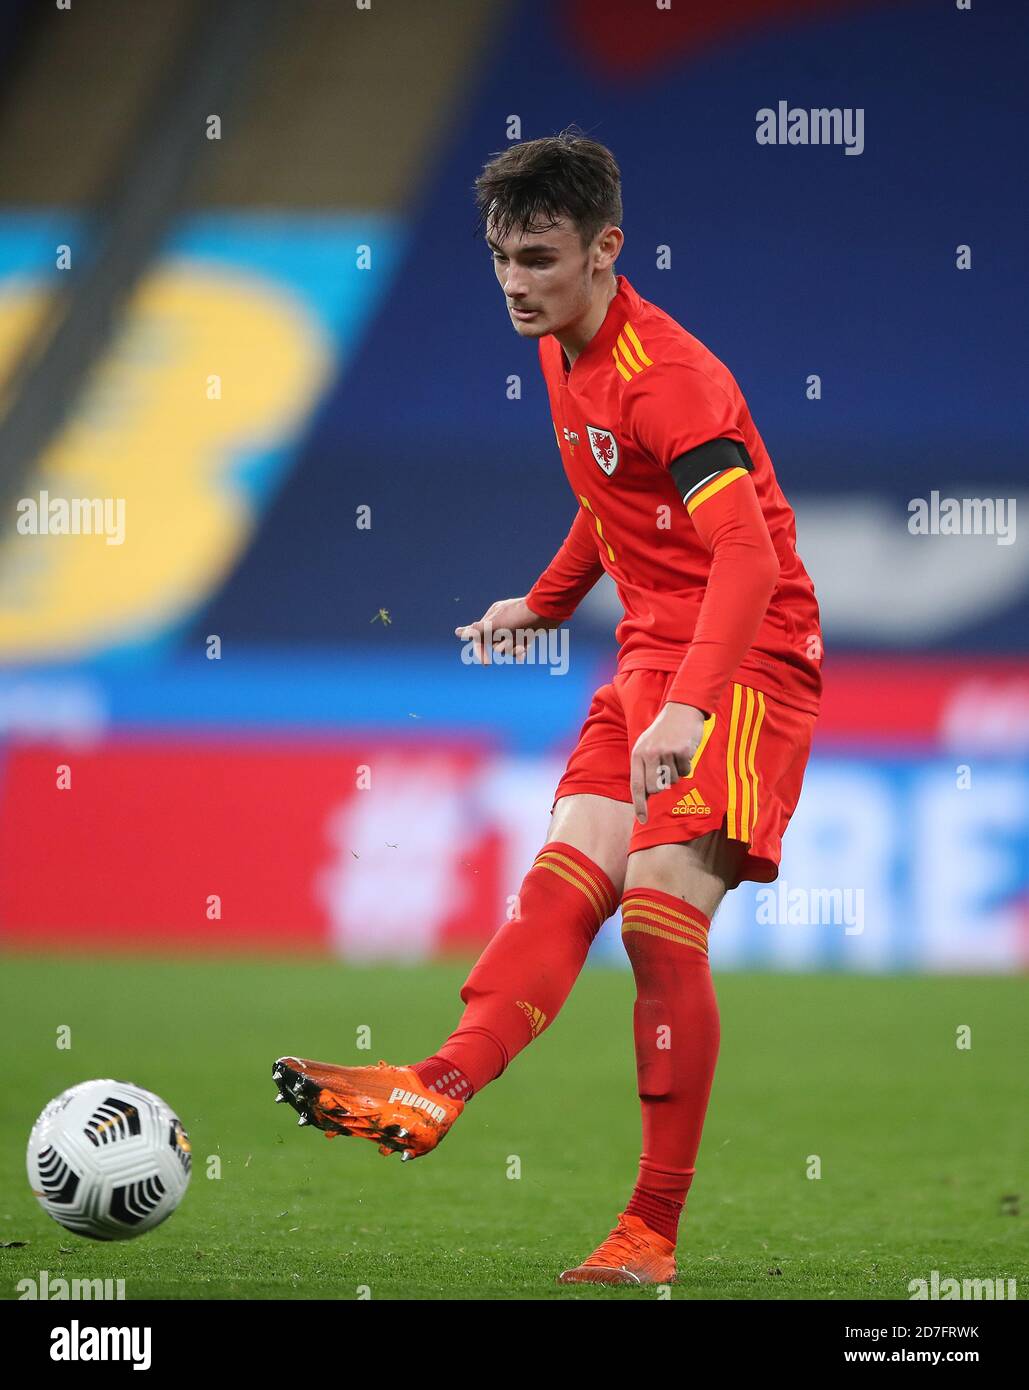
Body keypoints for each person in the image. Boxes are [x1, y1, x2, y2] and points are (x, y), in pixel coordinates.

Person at [273, 127, 822, 1287]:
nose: (516, 283)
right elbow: (608, 487)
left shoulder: (671, 378)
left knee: (659, 917)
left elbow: (750, 561)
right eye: (500, 258)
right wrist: (546, 597)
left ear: (606, 248)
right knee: (566, 876)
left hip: (747, 661)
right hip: (646, 653)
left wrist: (692, 706)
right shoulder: (564, 352)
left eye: (540, 256)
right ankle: (438, 1082)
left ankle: (650, 1232)